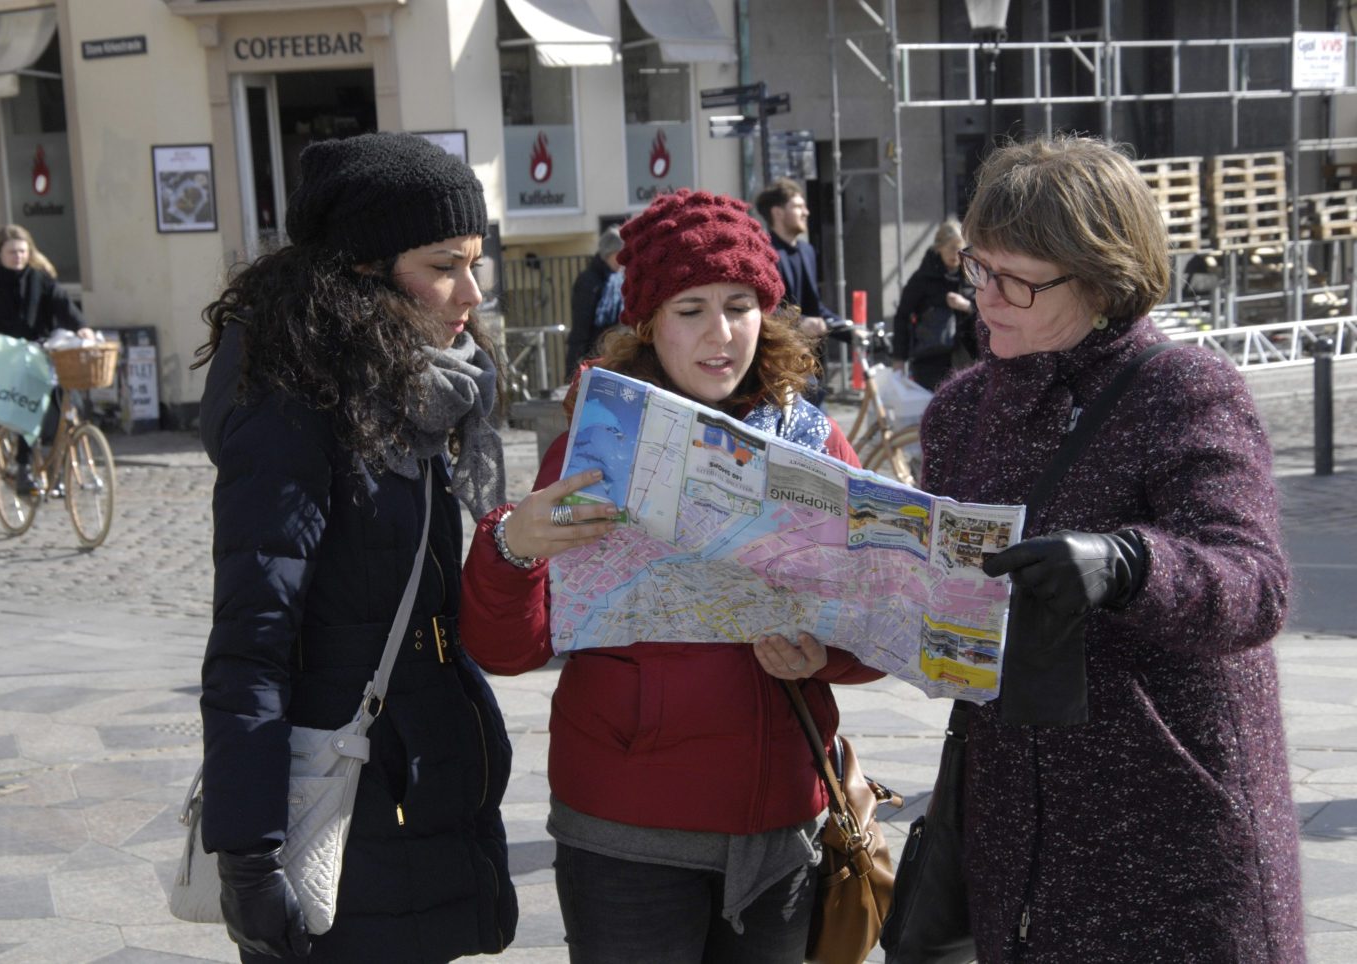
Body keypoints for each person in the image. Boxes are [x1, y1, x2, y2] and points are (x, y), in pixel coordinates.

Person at [460, 189, 884, 963]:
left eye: (740, 304)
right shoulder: (596, 443)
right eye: (691, 309)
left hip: (780, 826)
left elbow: (871, 623)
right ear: (648, 320)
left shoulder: (815, 440)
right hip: (629, 833)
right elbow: (508, 649)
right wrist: (510, 548)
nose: (721, 335)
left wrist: (828, 656)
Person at [919, 134, 1303, 961]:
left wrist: (1130, 565)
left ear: (1100, 275)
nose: (986, 298)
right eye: (978, 270)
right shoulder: (959, 412)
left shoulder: (1183, 389)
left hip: (1171, 818)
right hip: (1012, 825)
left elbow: (1255, 586)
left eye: (1015, 279)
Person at [192, 132, 518, 963]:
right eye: (444, 265)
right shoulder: (294, 406)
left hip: (420, 790)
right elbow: (251, 641)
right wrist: (248, 855)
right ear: (362, 272)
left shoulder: (412, 390)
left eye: (476, 262)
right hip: (346, 810)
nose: (470, 294)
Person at [0, 224, 92, 492]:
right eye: (12, 252)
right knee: (27, 403)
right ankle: (24, 464)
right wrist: (6, 345)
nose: (18, 257)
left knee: (64, 395)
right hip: (8, 355)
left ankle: (58, 464)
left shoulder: (41, 279)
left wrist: (80, 326)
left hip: (41, 350)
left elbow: (62, 303)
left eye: (23, 251)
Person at [755, 178, 852, 405]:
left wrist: (850, 331)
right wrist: (801, 322)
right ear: (777, 213)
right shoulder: (764, 253)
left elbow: (815, 308)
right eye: (798, 206)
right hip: (777, 365)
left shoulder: (807, 251)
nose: (806, 212)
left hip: (809, 362)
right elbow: (761, 308)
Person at [890, 218, 977, 391]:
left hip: (967, 356)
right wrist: (899, 358)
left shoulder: (971, 275)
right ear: (939, 247)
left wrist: (967, 306)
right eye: (952, 248)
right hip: (931, 360)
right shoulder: (923, 278)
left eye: (960, 249)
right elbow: (902, 316)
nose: (956, 254)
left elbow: (986, 309)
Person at [564, 225, 624, 379]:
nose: (623, 260)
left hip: (613, 352)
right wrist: (577, 366)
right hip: (592, 353)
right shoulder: (589, 281)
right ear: (609, 253)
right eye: (619, 254)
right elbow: (581, 327)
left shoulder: (618, 279)